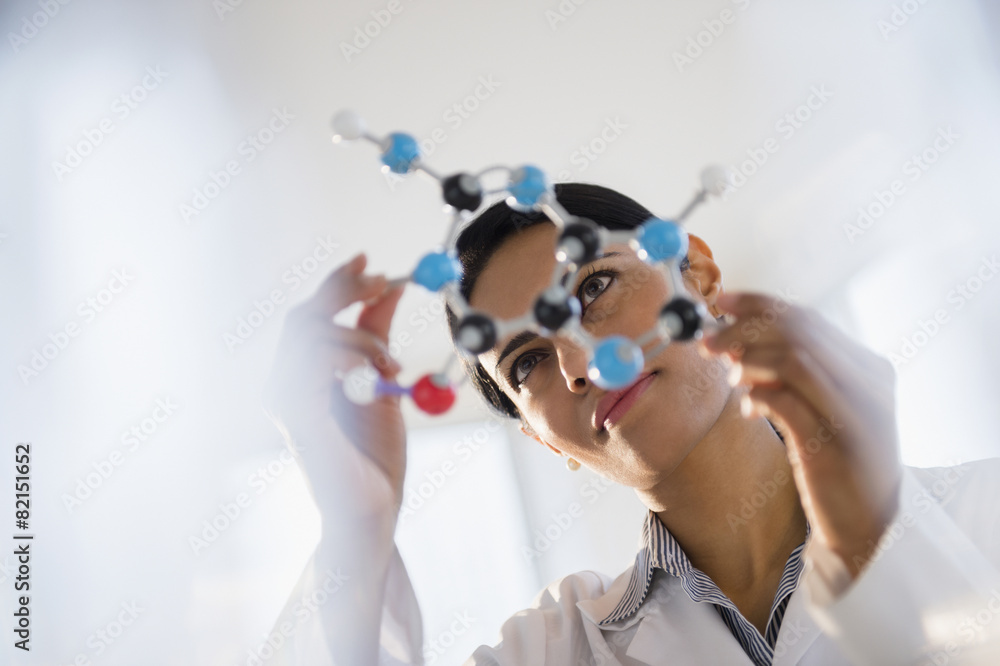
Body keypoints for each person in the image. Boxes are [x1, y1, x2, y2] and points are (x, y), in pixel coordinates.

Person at [262, 183, 1000, 666]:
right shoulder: (555, 649)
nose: (579, 362)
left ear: (699, 277)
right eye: (527, 365)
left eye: (595, 286)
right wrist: (356, 532)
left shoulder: (982, 515)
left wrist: (875, 544)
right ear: (542, 438)